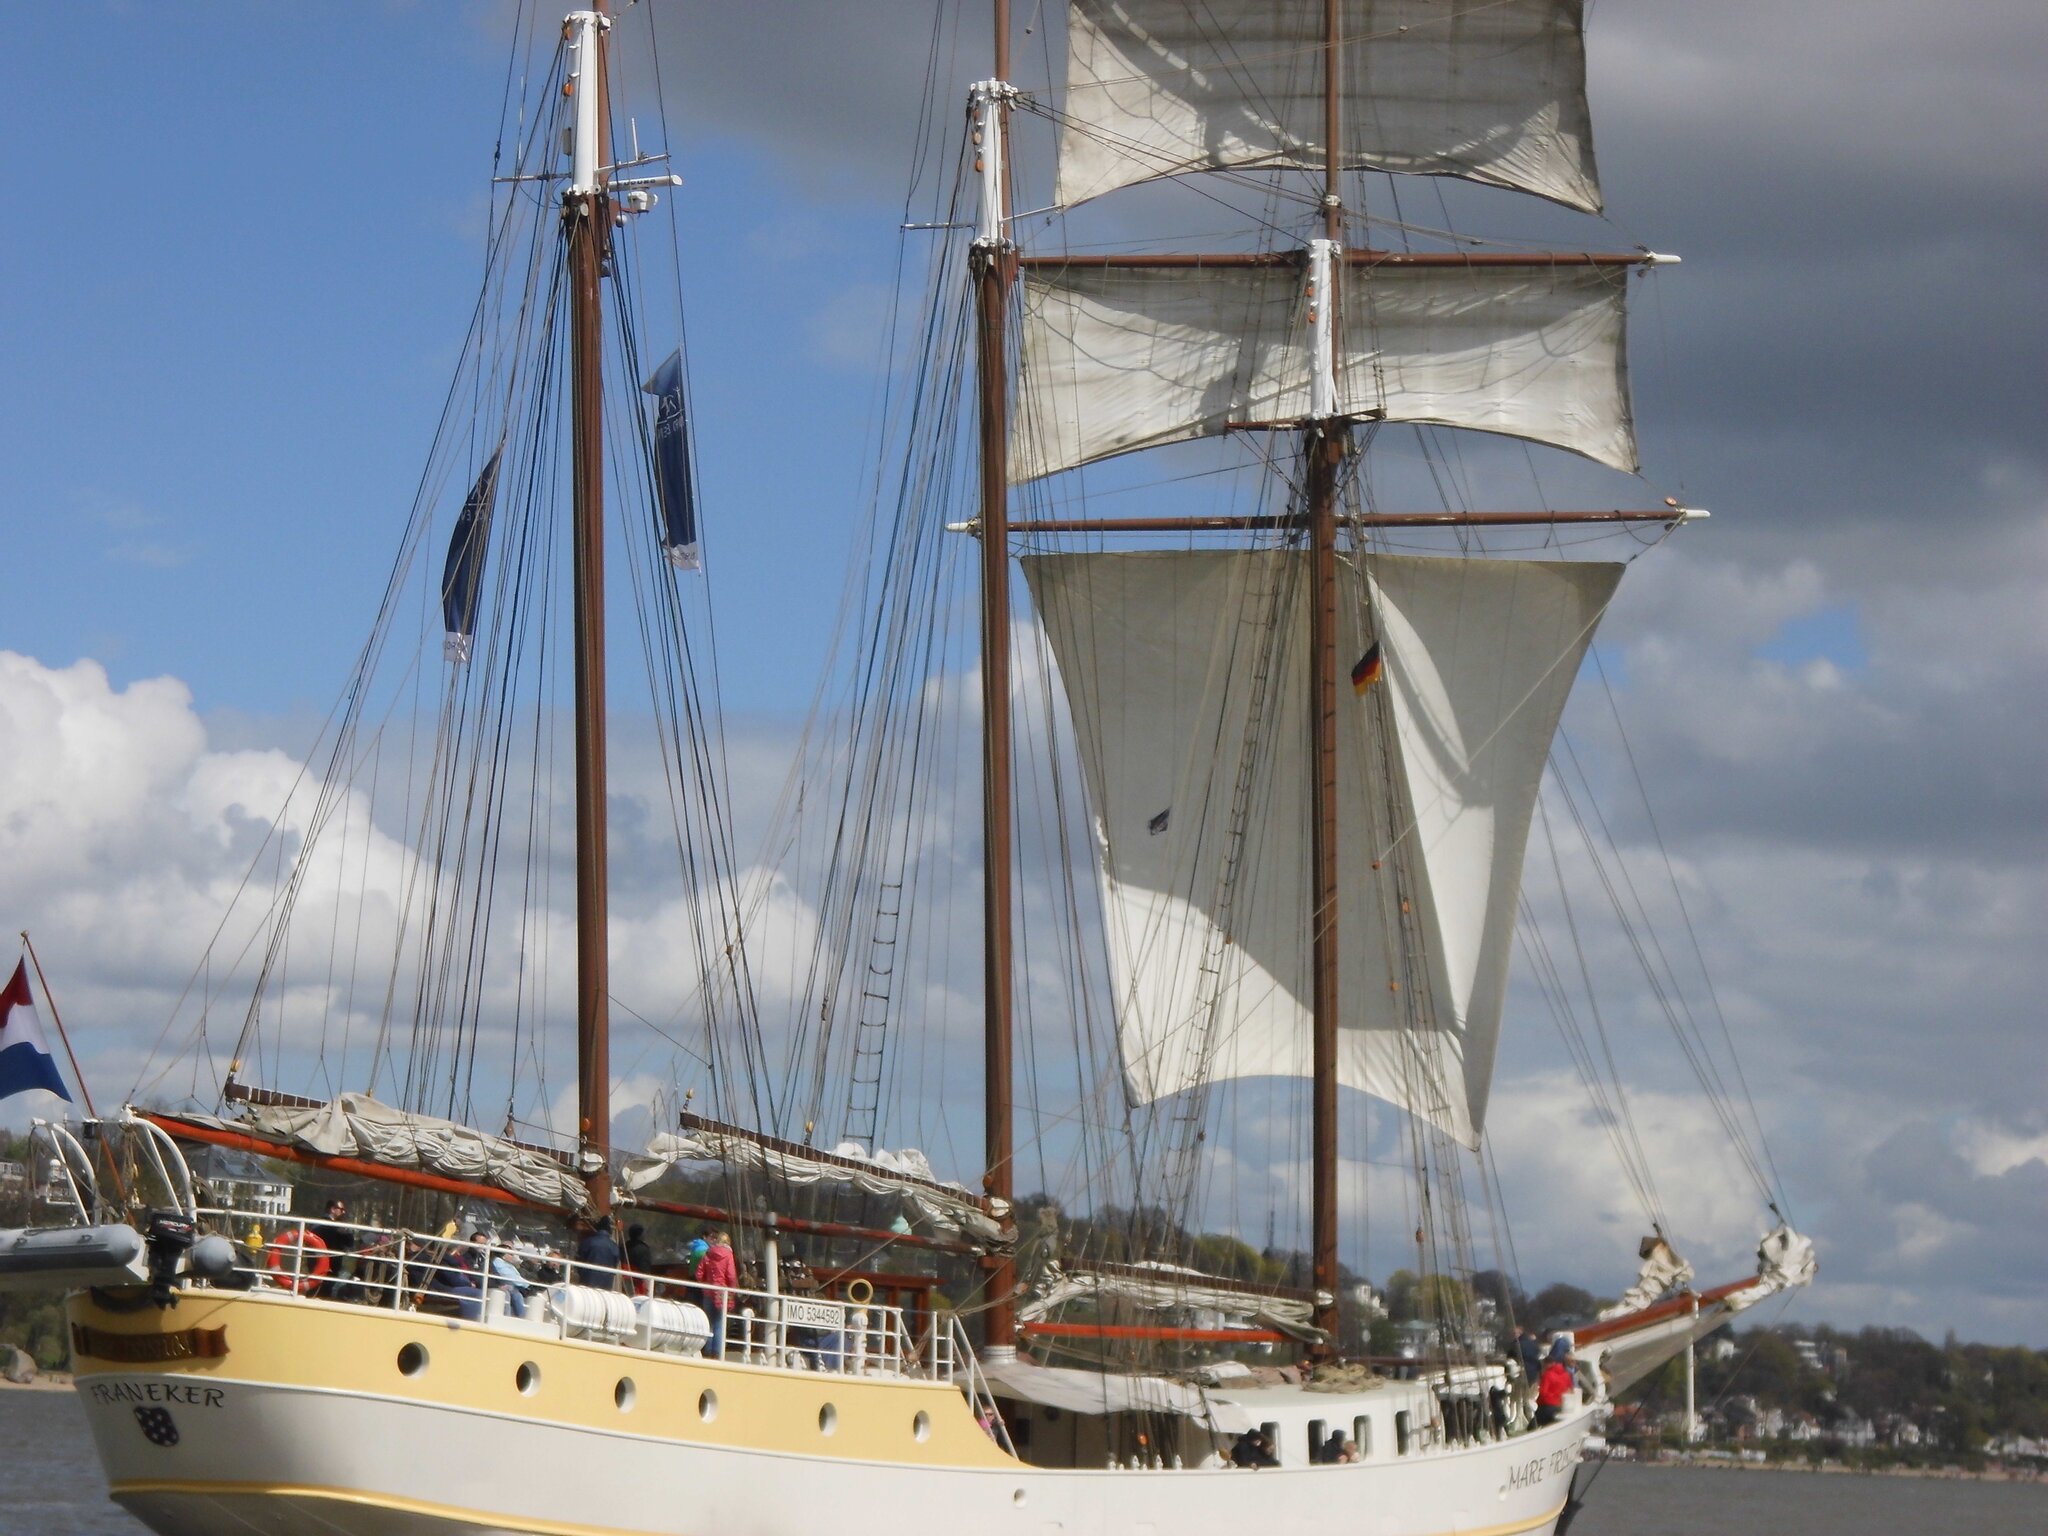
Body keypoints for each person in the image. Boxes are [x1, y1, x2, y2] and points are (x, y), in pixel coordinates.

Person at [696, 1228, 737, 1359]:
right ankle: (717, 1352)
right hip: (722, 1293)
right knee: (720, 1322)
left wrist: (705, 1284)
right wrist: (733, 1290)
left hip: (708, 1291)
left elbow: (699, 1273)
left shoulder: (708, 1253)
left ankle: (707, 1350)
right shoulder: (728, 1255)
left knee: (709, 1321)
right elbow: (731, 1275)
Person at [315, 1199, 358, 1301]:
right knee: (326, 1286)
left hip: (321, 1260)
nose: (343, 1212)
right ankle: (322, 1299)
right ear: (333, 1209)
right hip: (331, 1261)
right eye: (341, 1209)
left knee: (321, 1285)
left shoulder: (318, 1224)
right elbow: (349, 1242)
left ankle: (318, 1297)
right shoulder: (332, 1226)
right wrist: (347, 1233)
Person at [574, 1214, 624, 1289]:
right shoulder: (614, 1246)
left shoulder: (588, 1242)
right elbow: (615, 1264)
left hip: (587, 1282)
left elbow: (579, 1260)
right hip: (606, 1284)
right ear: (609, 1231)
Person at [1535, 1351, 1575, 1427]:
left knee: (1534, 1424)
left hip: (1548, 1406)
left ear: (1546, 1364)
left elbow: (1543, 1393)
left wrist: (1538, 1402)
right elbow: (1571, 1390)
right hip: (1561, 1406)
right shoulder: (1566, 1374)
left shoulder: (1547, 1375)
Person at [624, 1222, 654, 1298]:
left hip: (624, 1283)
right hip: (637, 1285)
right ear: (640, 1235)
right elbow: (645, 1271)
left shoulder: (624, 1246)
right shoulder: (643, 1250)